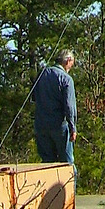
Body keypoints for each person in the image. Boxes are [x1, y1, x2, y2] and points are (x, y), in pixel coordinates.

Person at [33, 50, 78, 180]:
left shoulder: (41, 74)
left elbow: (34, 97)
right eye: (72, 63)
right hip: (59, 126)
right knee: (67, 165)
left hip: (41, 125)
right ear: (67, 61)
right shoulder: (66, 79)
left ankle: (50, 199)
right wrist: (72, 127)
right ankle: (69, 198)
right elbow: (70, 106)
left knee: (47, 165)